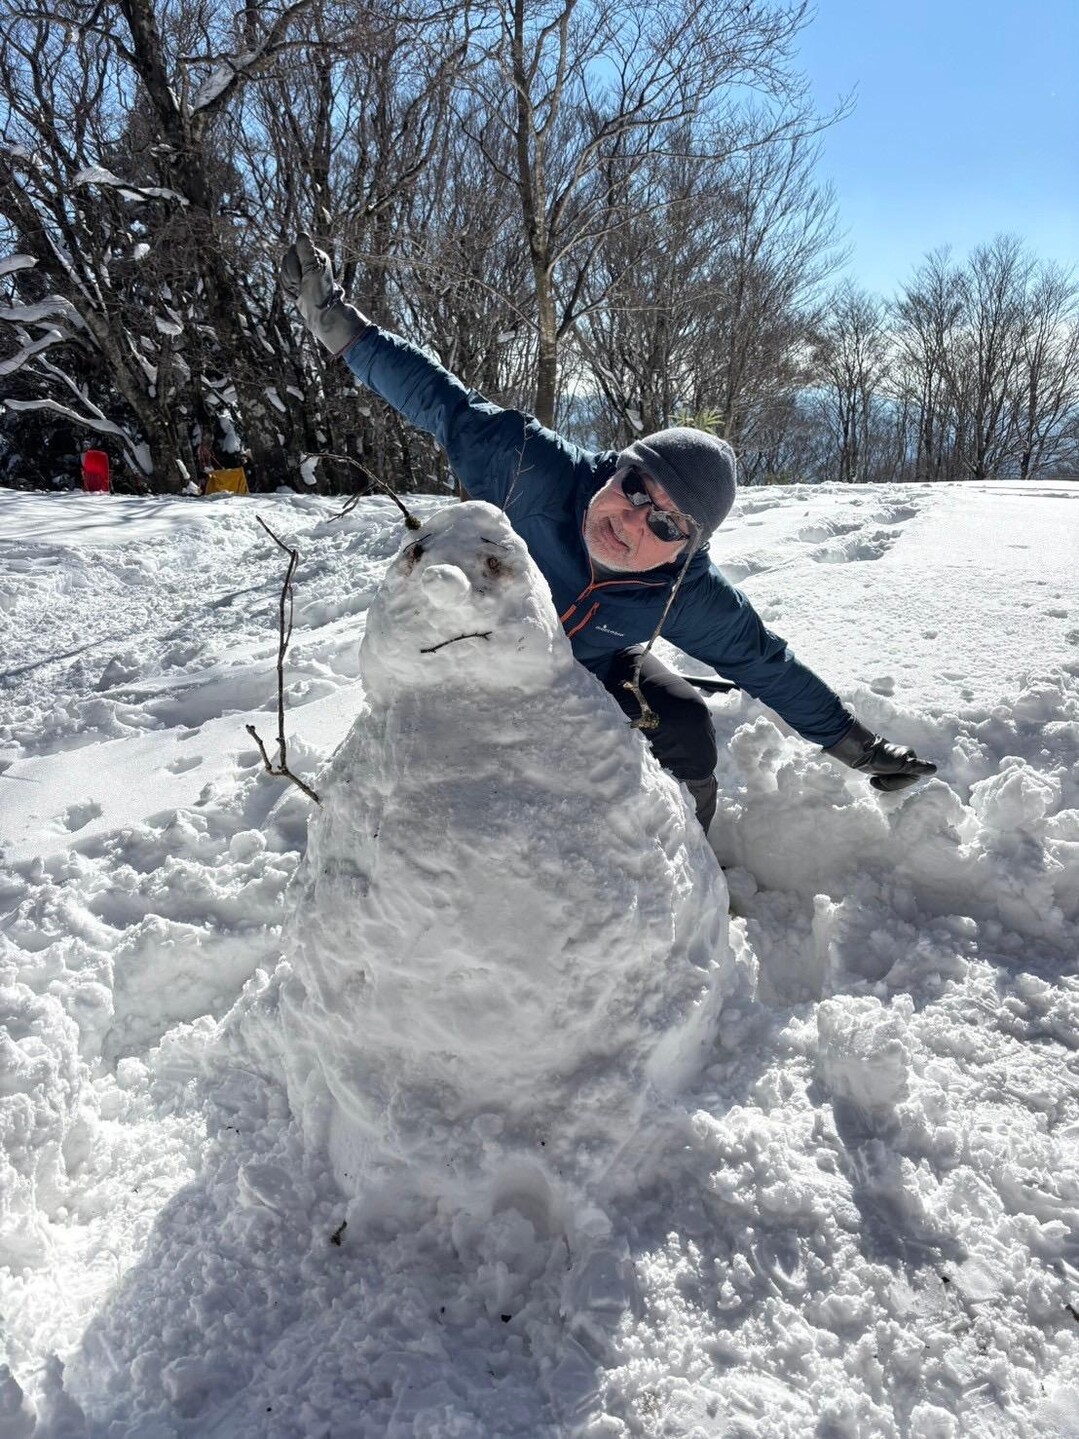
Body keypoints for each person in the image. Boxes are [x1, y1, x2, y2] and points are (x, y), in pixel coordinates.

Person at [281, 234, 936, 832]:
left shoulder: (686, 593)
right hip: (476, 661)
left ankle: (677, 877)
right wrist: (341, 329)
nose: (627, 519)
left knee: (684, 726)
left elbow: (763, 662)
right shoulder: (530, 468)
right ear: (615, 467)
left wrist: (859, 748)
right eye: (632, 487)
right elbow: (438, 399)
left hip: (586, 670)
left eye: (662, 522)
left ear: (686, 549)